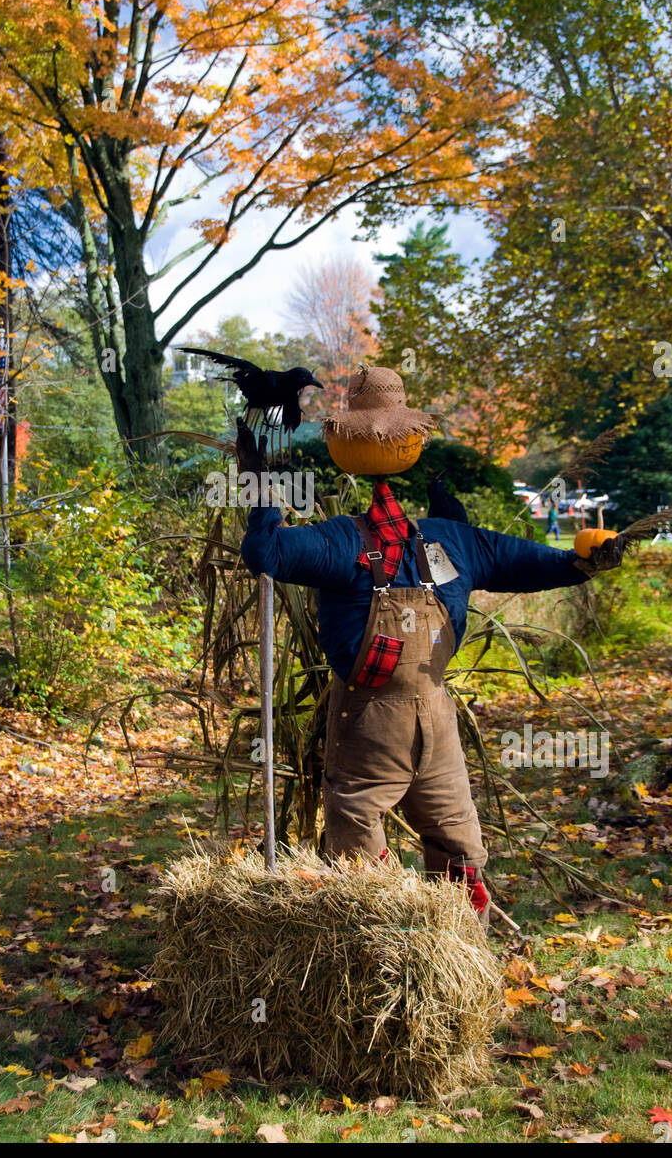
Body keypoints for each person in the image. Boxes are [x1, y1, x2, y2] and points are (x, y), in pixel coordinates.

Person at [238, 366, 626, 925]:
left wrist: (583, 562)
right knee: (357, 846)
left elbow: (534, 563)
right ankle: (376, 953)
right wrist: (261, 497)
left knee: (459, 844)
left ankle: (458, 960)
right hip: (369, 720)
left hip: (435, 719)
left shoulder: (439, 539)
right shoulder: (349, 540)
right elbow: (268, 556)